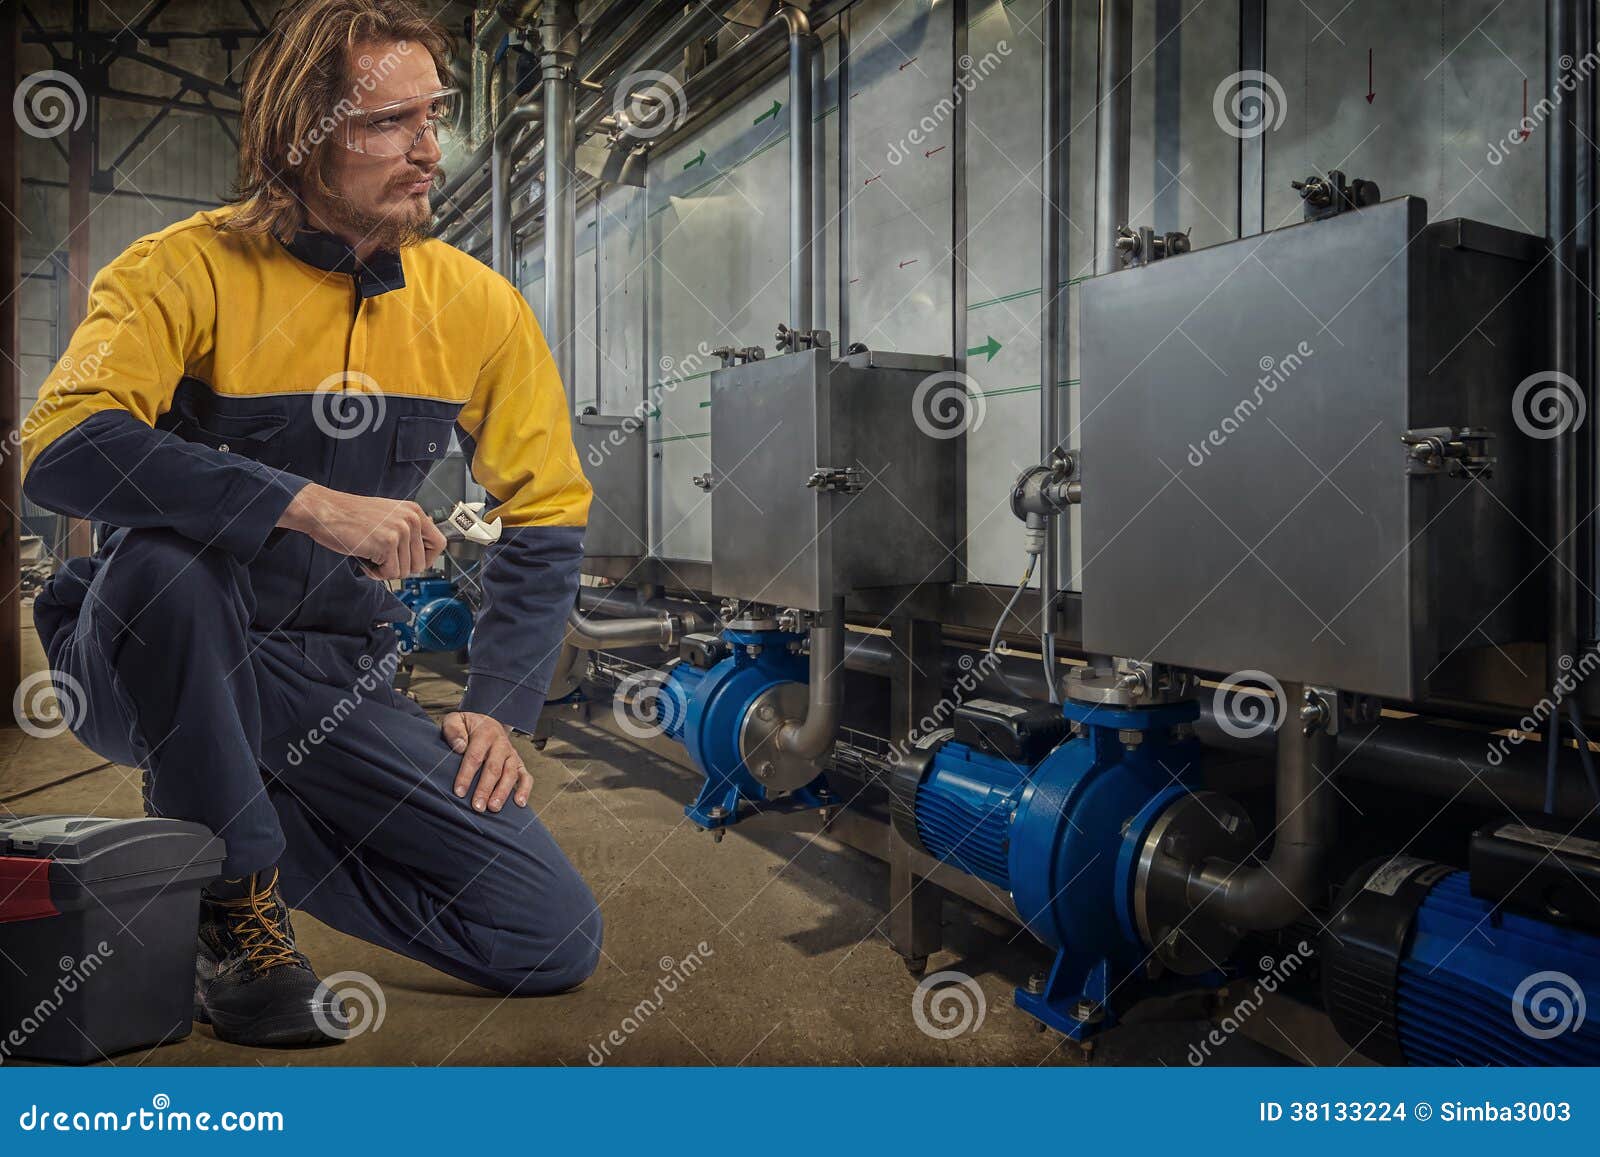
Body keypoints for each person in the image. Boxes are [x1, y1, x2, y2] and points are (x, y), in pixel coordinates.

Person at [20, 0, 601, 1048]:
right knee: (170, 562)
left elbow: (548, 511)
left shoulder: (476, 306)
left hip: (323, 675)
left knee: (545, 934)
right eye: (386, 124)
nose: (427, 150)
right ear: (299, 132)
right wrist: (305, 503)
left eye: (434, 116)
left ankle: (208, 824)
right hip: (144, 647)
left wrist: (499, 701)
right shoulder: (180, 270)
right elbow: (60, 449)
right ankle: (234, 909)